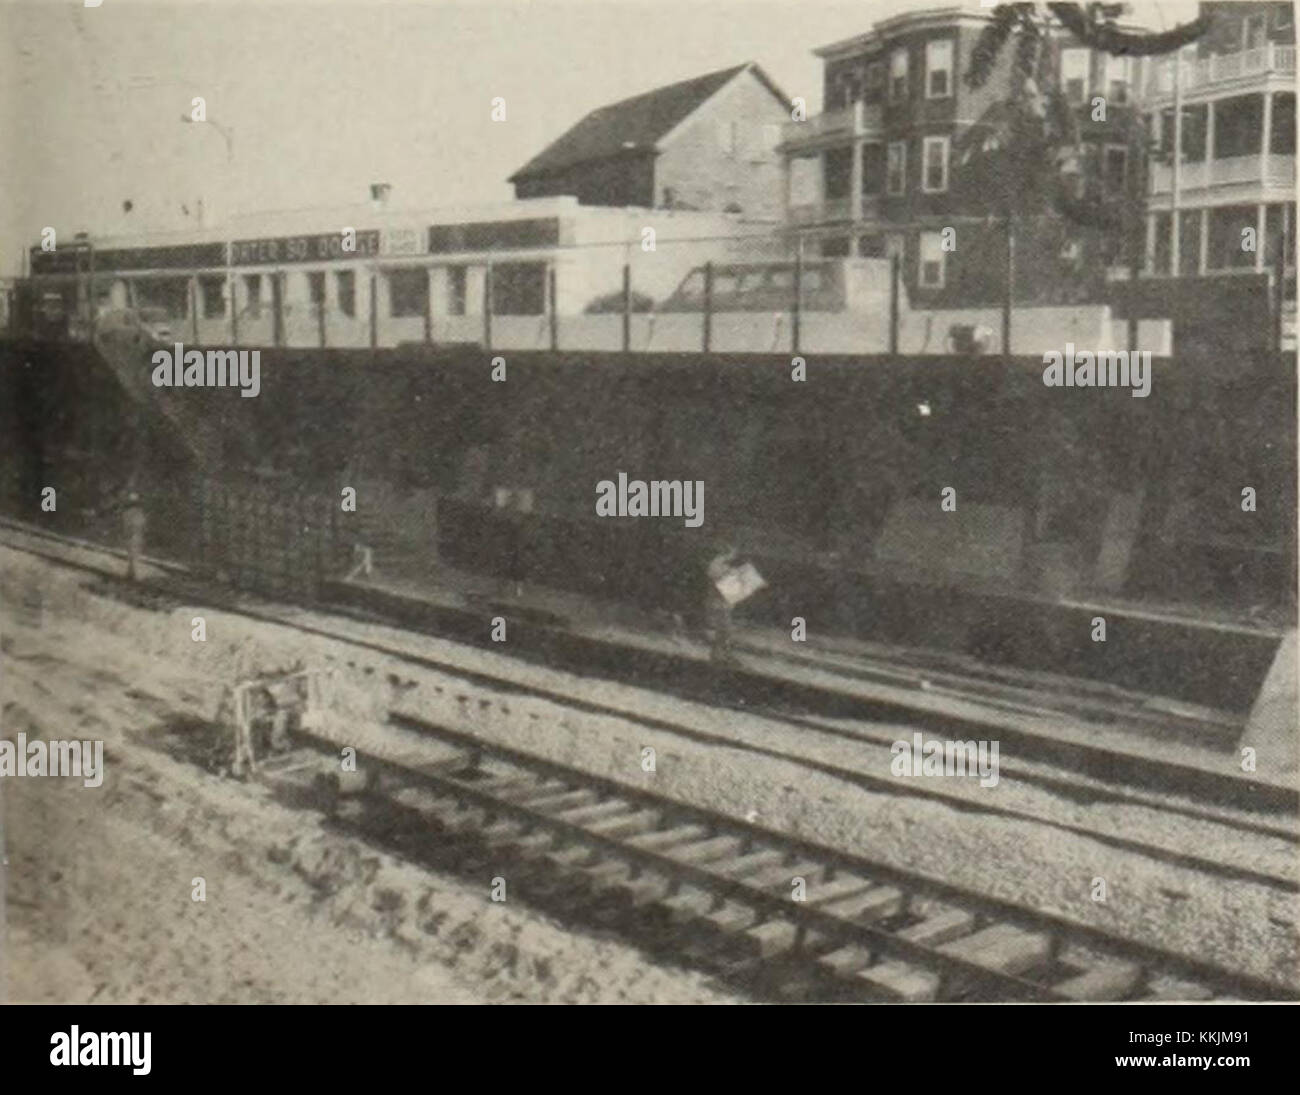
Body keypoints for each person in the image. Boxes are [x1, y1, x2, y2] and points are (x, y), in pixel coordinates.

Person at [705, 541, 741, 667]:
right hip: (718, 604)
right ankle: (721, 657)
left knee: (724, 632)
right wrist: (732, 574)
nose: (735, 556)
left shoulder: (722, 565)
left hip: (722, 604)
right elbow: (716, 579)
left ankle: (720, 656)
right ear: (728, 552)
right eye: (734, 553)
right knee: (724, 631)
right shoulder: (717, 564)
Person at [122, 490, 146, 582]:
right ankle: (132, 574)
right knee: (134, 554)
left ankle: (132, 573)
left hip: (132, 535)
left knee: (131, 554)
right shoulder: (139, 513)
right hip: (136, 535)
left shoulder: (127, 513)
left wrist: (127, 533)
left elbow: (126, 526)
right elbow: (142, 524)